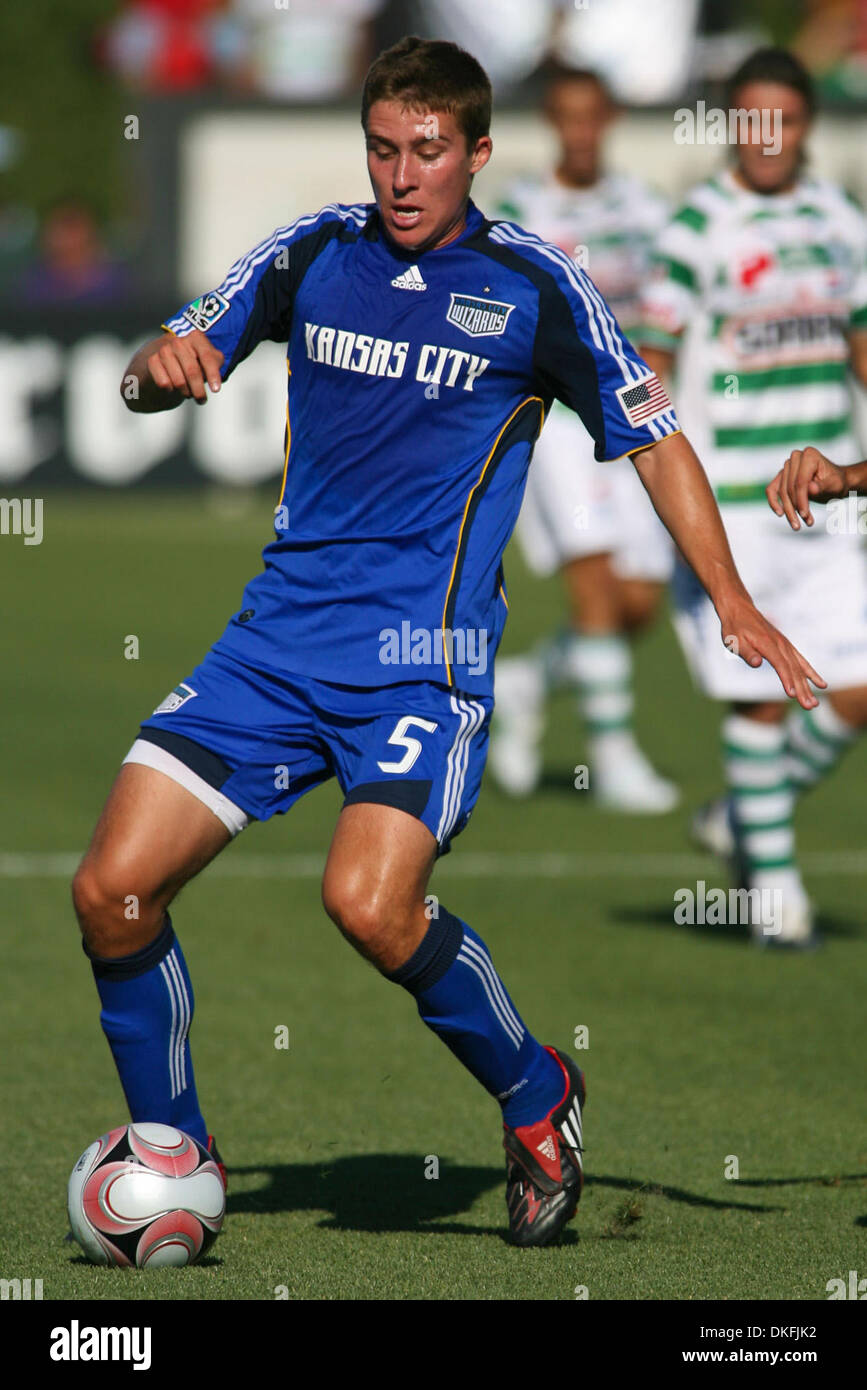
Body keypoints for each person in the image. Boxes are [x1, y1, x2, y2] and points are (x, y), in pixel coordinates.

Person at [71, 36, 822, 1252]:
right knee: (110, 892)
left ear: (477, 152)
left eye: (429, 151)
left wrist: (729, 596)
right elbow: (166, 365)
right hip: (273, 647)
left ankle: (536, 1094)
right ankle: (175, 1151)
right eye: (382, 148)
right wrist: (157, 373)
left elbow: (655, 435)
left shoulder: (534, 285)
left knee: (367, 905)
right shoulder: (314, 251)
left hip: (423, 663)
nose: (402, 175)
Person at [640, 47, 867, 947]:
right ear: (734, 125)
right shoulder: (696, 226)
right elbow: (648, 361)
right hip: (731, 505)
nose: (768, 135)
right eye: (752, 117)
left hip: (831, 502)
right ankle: (773, 896)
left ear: (806, 126)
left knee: (850, 696)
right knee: (761, 699)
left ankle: (741, 814)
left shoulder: (841, 219)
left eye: (785, 117)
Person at [489, 65, 677, 811]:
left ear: (609, 119)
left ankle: (527, 683)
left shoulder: (645, 210)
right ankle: (611, 756)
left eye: (590, 116)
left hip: (629, 415)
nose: (579, 129)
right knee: (594, 583)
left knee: (638, 603)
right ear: (551, 123)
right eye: (565, 116)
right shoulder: (519, 211)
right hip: (558, 422)